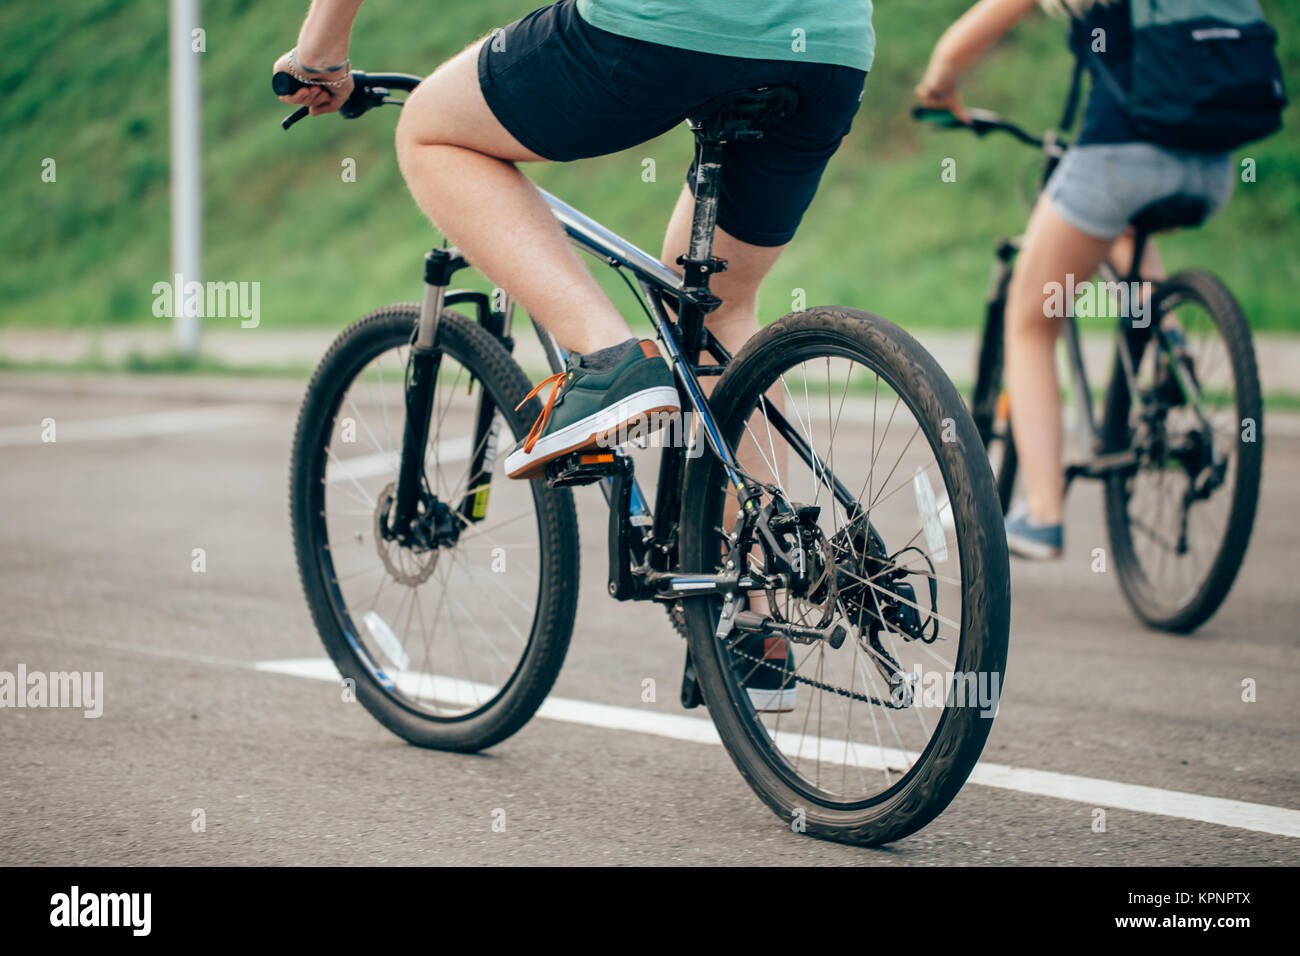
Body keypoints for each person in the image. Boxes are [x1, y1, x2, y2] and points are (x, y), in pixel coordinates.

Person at [274, 0, 876, 712]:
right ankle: (757, 613)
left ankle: (610, 358)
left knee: (433, 130)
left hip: (665, 24)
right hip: (830, 43)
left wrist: (319, 57)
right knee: (721, 302)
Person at [915, 0, 1235, 559]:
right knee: (1120, 228)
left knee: (1031, 321)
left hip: (1119, 154)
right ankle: (1171, 345)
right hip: (1213, 163)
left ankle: (1043, 515)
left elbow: (971, 33)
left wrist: (939, 88)